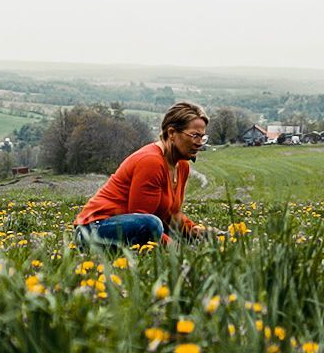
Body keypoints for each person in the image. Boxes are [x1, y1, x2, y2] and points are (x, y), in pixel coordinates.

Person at [73, 101, 218, 248]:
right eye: (194, 135)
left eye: (202, 137)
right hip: (94, 229)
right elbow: (141, 220)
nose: (199, 143)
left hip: (131, 228)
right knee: (152, 224)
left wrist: (196, 232)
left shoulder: (182, 166)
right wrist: (175, 249)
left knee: (177, 232)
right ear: (172, 133)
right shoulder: (151, 162)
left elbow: (172, 215)